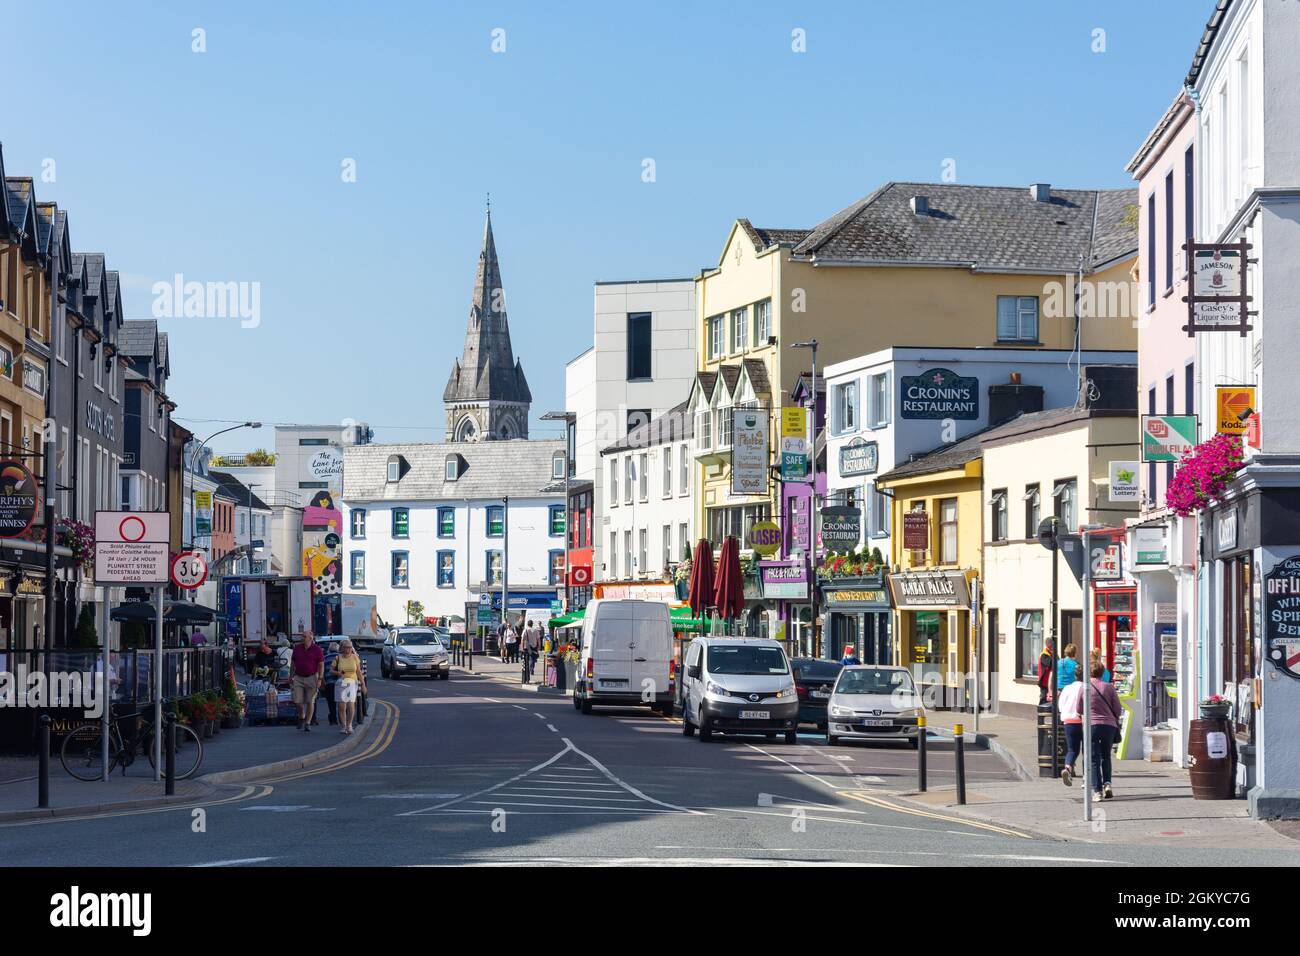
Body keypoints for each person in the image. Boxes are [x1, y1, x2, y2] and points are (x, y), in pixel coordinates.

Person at [1087, 660, 1123, 800]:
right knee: (1106, 756)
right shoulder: (1109, 687)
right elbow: (1118, 709)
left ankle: (1097, 791)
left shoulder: (1086, 687)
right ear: (1102, 673)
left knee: (1094, 759)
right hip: (1109, 726)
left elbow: (1079, 707)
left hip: (1092, 725)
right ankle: (1107, 784)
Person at [290, 631, 325, 732]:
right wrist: (290, 676)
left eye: (304, 636)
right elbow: (293, 663)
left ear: (310, 638)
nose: (302, 638)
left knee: (310, 701)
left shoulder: (317, 649)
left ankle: (308, 723)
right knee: (298, 701)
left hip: (312, 677)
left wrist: (320, 679)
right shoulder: (297, 648)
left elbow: (321, 665)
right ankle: (302, 716)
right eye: (302, 636)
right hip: (298, 677)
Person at [331, 639, 366, 735]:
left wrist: (363, 684)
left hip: (352, 683)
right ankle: (343, 726)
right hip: (341, 682)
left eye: (350, 647)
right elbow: (331, 671)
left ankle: (349, 725)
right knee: (342, 706)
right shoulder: (338, 658)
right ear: (342, 648)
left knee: (351, 705)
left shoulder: (355, 657)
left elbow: (358, 672)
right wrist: (338, 672)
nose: (349, 649)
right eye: (347, 647)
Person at [1058, 673, 1086, 787]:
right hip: (1083, 721)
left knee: (1072, 750)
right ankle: (1086, 777)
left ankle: (1068, 768)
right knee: (1087, 751)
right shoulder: (1086, 687)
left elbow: (1061, 705)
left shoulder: (1067, 688)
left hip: (1069, 721)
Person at [1037, 638, 1055, 704]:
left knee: (1048, 700)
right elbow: (1050, 664)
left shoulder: (1050, 654)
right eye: (1052, 645)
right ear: (1049, 645)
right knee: (1043, 699)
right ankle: (1041, 710)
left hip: (1049, 682)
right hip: (1044, 683)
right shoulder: (1044, 655)